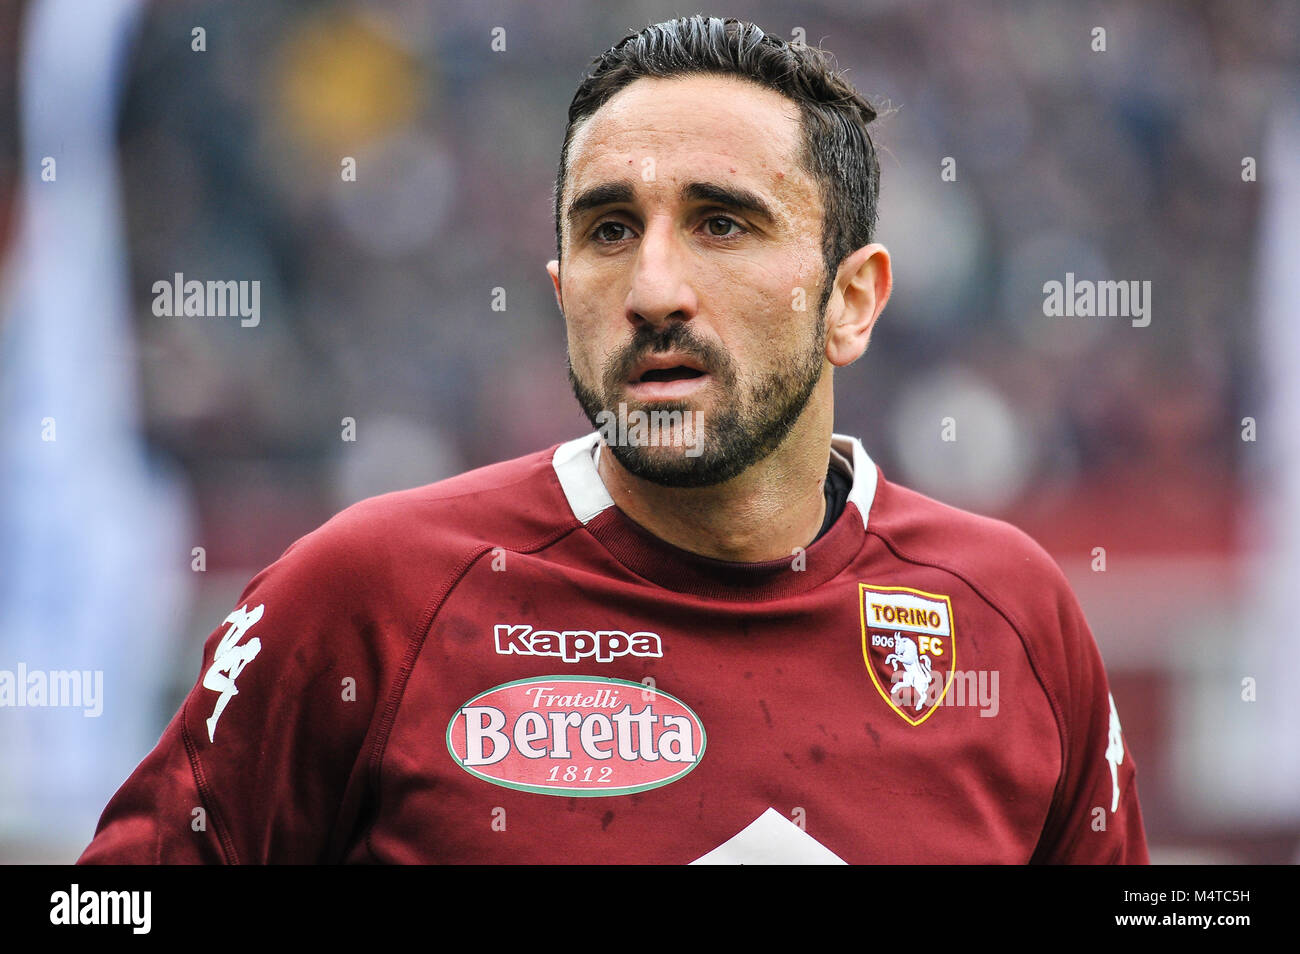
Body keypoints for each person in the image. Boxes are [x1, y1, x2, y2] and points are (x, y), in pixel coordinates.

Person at [79, 15, 1148, 864]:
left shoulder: (1010, 618)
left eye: (723, 223)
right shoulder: (364, 600)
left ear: (851, 302)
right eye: (606, 231)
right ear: (559, 289)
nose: (652, 290)